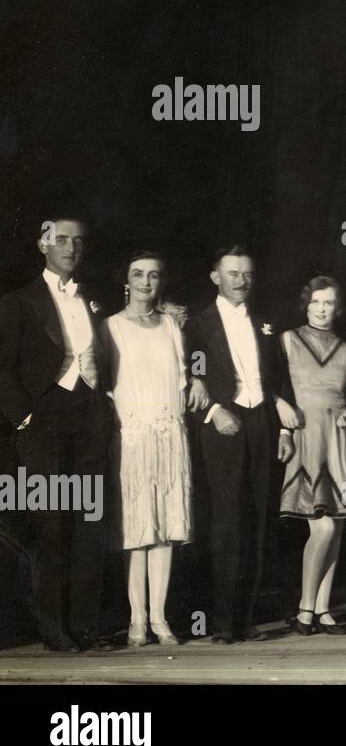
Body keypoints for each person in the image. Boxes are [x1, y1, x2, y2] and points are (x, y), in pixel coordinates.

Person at [0, 216, 111, 652]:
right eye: (61, 240)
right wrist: (23, 418)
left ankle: (85, 626)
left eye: (78, 242)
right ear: (43, 244)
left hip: (89, 418)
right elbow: (2, 369)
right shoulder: (17, 302)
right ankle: (53, 629)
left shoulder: (92, 301)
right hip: (42, 421)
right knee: (50, 526)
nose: (71, 247)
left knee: (88, 524)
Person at [188, 245, 300, 644]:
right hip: (224, 424)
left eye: (247, 274)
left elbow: (281, 378)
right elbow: (191, 374)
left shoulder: (266, 322)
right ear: (216, 276)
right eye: (233, 272)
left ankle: (246, 618)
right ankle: (221, 623)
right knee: (226, 523)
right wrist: (214, 410)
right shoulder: (197, 325)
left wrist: (285, 430)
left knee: (259, 523)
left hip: (263, 423)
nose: (241, 280)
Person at [279, 277, 346, 635]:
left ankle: (322, 609)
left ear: (337, 307)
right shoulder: (289, 340)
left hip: (341, 439)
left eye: (329, 303)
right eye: (317, 302)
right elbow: (275, 388)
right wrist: (284, 423)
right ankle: (304, 608)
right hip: (307, 434)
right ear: (306, 304)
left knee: (336, 526)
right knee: (321, 526)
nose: (323, 309)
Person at [102, 252, 194, 647]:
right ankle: (136, 619)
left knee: (165, 532)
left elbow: (185, 377)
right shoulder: (111, 326)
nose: (145, 282)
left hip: (170, 435)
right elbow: (106, 385)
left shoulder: (172, 325)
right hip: (134, 437)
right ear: (126, 280)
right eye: (138, 274)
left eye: (153, 275)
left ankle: (159, 618)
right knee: (138, 532)